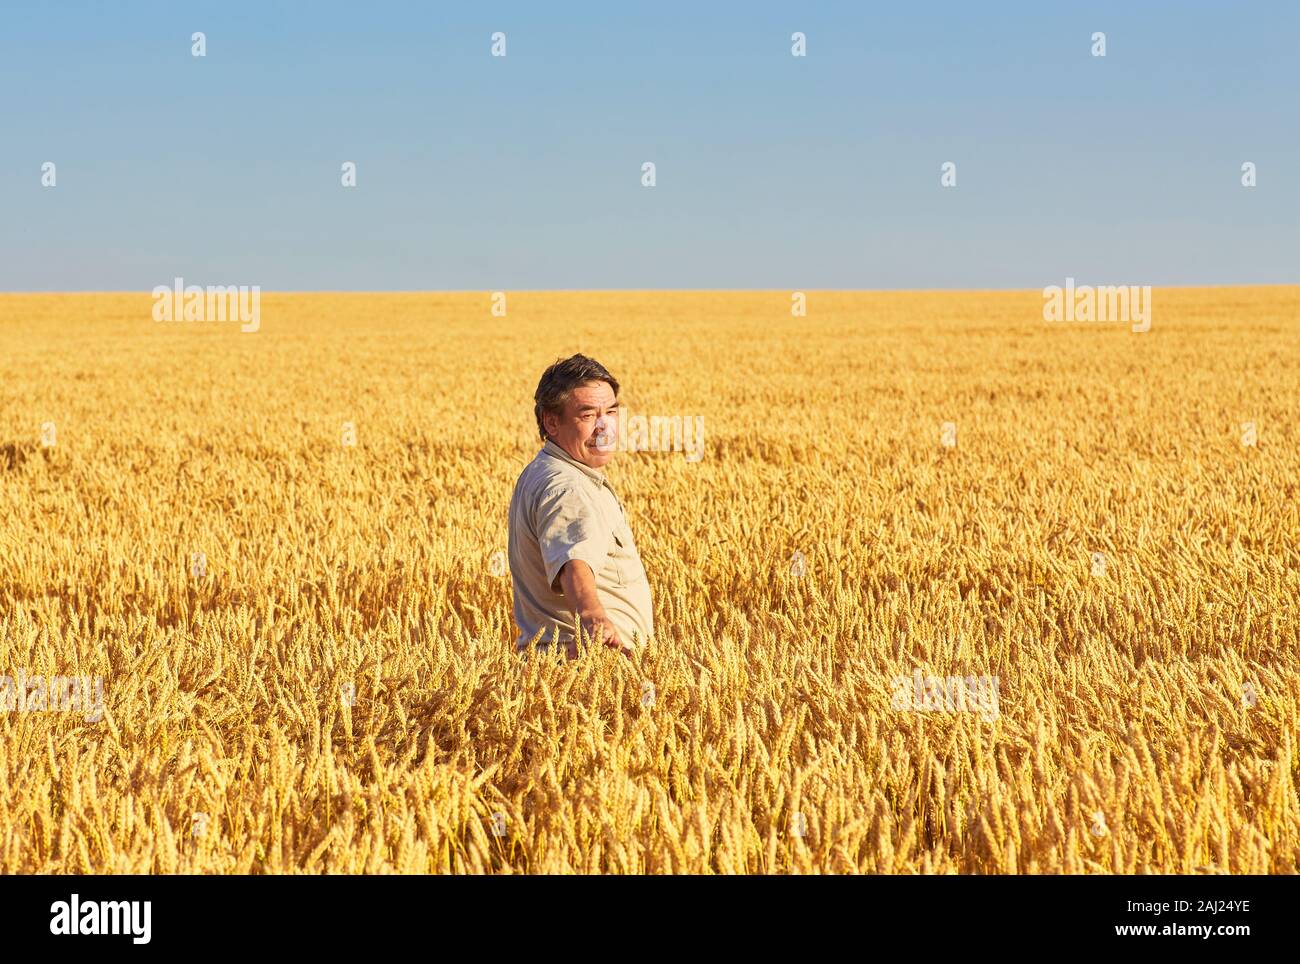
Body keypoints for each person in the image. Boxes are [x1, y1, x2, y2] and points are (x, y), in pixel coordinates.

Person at [507, 355, 654, 658]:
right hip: (587, 670)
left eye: (611, 412)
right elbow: (574, 562)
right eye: (588, 416)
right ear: (551, 421)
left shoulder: (545, 470)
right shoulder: (567, 488)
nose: (605, 427)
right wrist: (592, 618)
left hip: (574, 671)